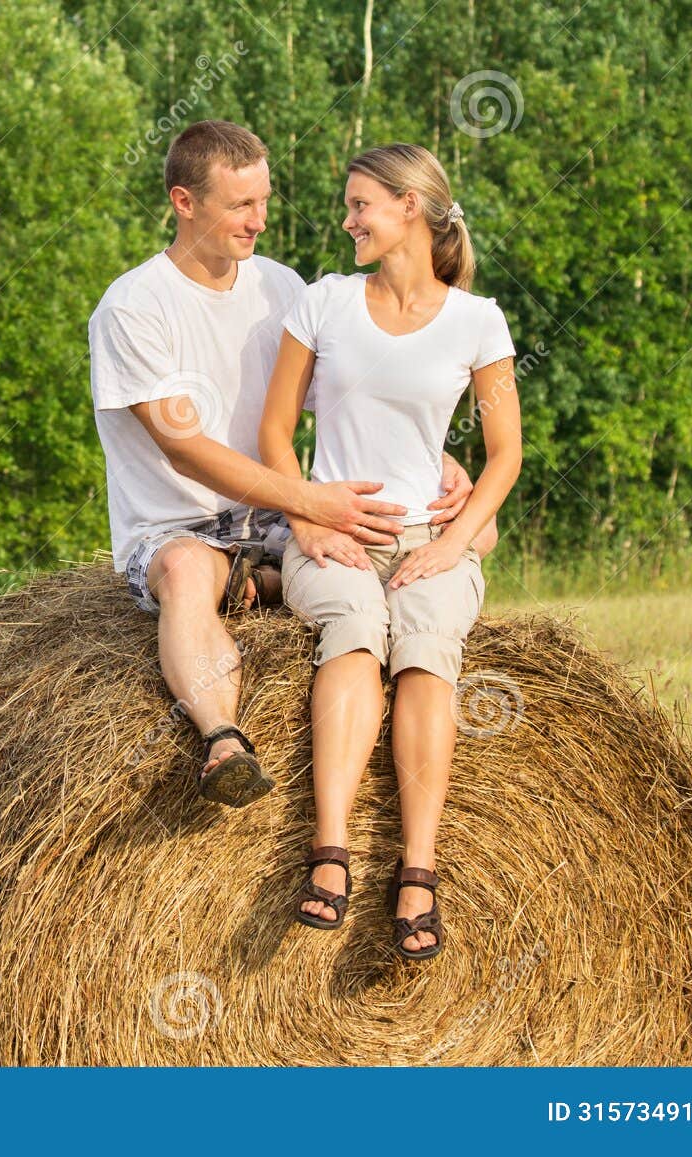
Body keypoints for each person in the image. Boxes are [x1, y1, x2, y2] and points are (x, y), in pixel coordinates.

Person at [88, 121, 491, 809]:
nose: (260, 220)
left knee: (471, 535)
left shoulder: (281, 288)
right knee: (189, 570)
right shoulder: (132, 307)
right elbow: (186, 448)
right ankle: (223, 740)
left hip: (280, 519)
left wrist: (437, 460)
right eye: (241, 205)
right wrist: (311, 502)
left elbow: (345, 397)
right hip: (179, 526)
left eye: (264, 200)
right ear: (185, 203)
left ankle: (266, 584)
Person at [258, 143, 521, 959]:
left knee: (428, 646)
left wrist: (452, 543)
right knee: (353, 621)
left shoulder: (479, 322)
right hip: (332, 529)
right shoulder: (324, 303)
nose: (348, 221)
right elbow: (274, 430)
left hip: (425, 540)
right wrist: (304, 521)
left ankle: (417, 869)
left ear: (410, 206)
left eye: (360, 205)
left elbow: (506, 453)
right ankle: (329, 853)